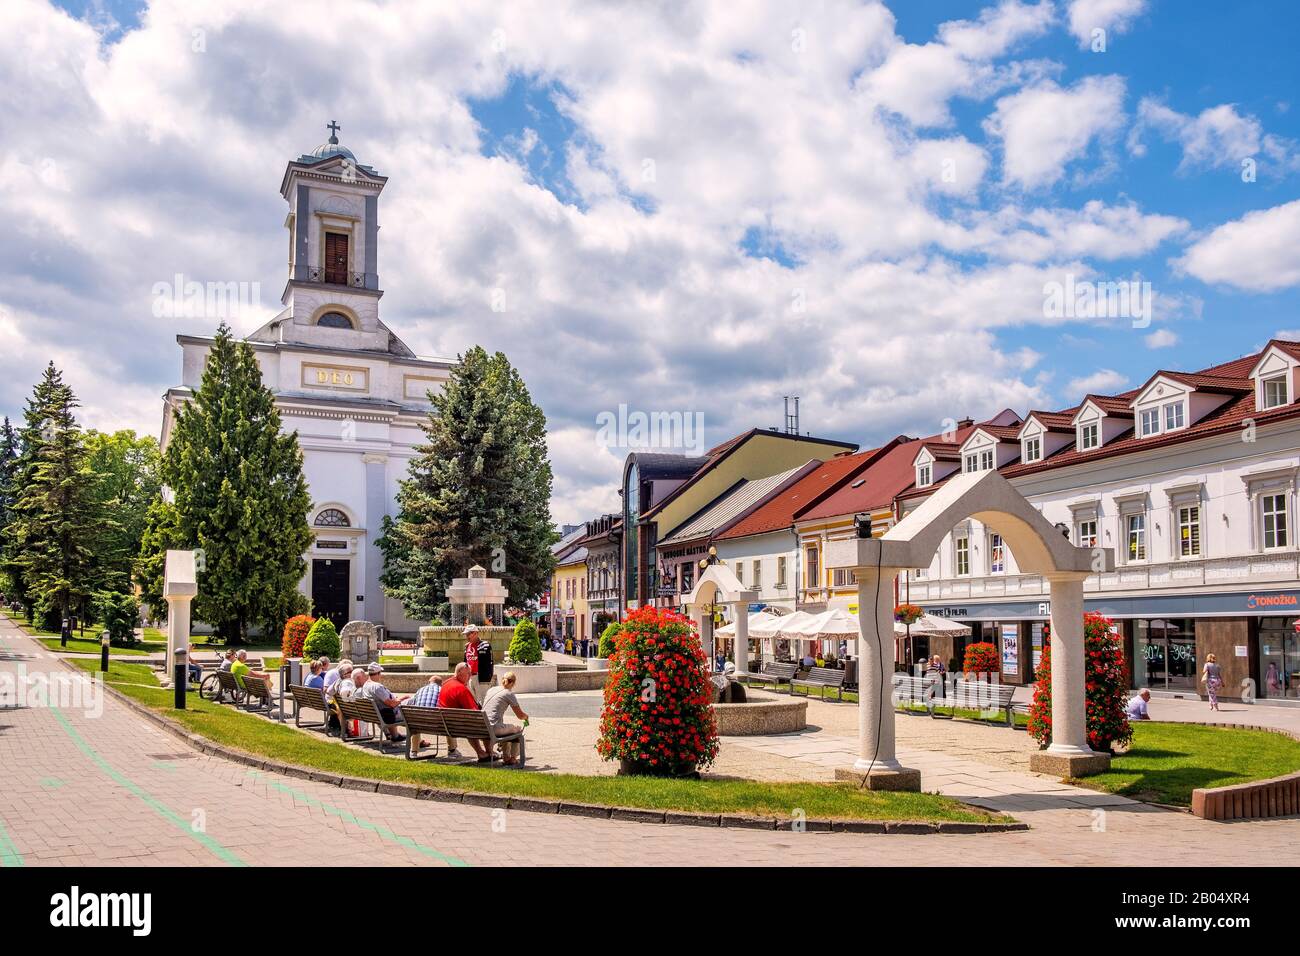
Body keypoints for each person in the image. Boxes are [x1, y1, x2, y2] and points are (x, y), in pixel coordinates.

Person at [438, 662, 489, 760]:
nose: (470, 676)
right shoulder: (461, 689)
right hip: (458, 726)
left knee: (471, 723)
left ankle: (482, 752)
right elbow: (474, 711)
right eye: (468, 674)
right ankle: (487, 752)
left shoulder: (446, 684)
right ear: (459, 672)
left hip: (445, 724)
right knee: (483, 724)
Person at [482, 671, 529, 765]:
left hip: (483, 727)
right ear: (513, 683)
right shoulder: (509, 693)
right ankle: (512, 758)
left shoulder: (491, 690)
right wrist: (526, 717)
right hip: (494, 728)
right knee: (517, 729)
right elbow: (520, 716)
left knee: (507, 728)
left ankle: (506, 756)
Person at [356, 663, 409, 742]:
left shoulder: (365, 686)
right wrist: (404, 698)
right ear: (378, 673)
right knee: (412, 710)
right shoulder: (376, 687)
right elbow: (391, 704)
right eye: (380, 673)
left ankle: (391, 734)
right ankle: (417, 741)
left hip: (376, 715)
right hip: (388, 715)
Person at [406, 675, 444, 752]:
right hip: (436, 725)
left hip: (419, 724)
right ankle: (452, 749)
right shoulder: (442, 690)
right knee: (448, 721)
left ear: (429, 682)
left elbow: (411, 704)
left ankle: (414, 751)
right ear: (441, 684)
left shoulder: (420, 690)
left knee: (416, 720)